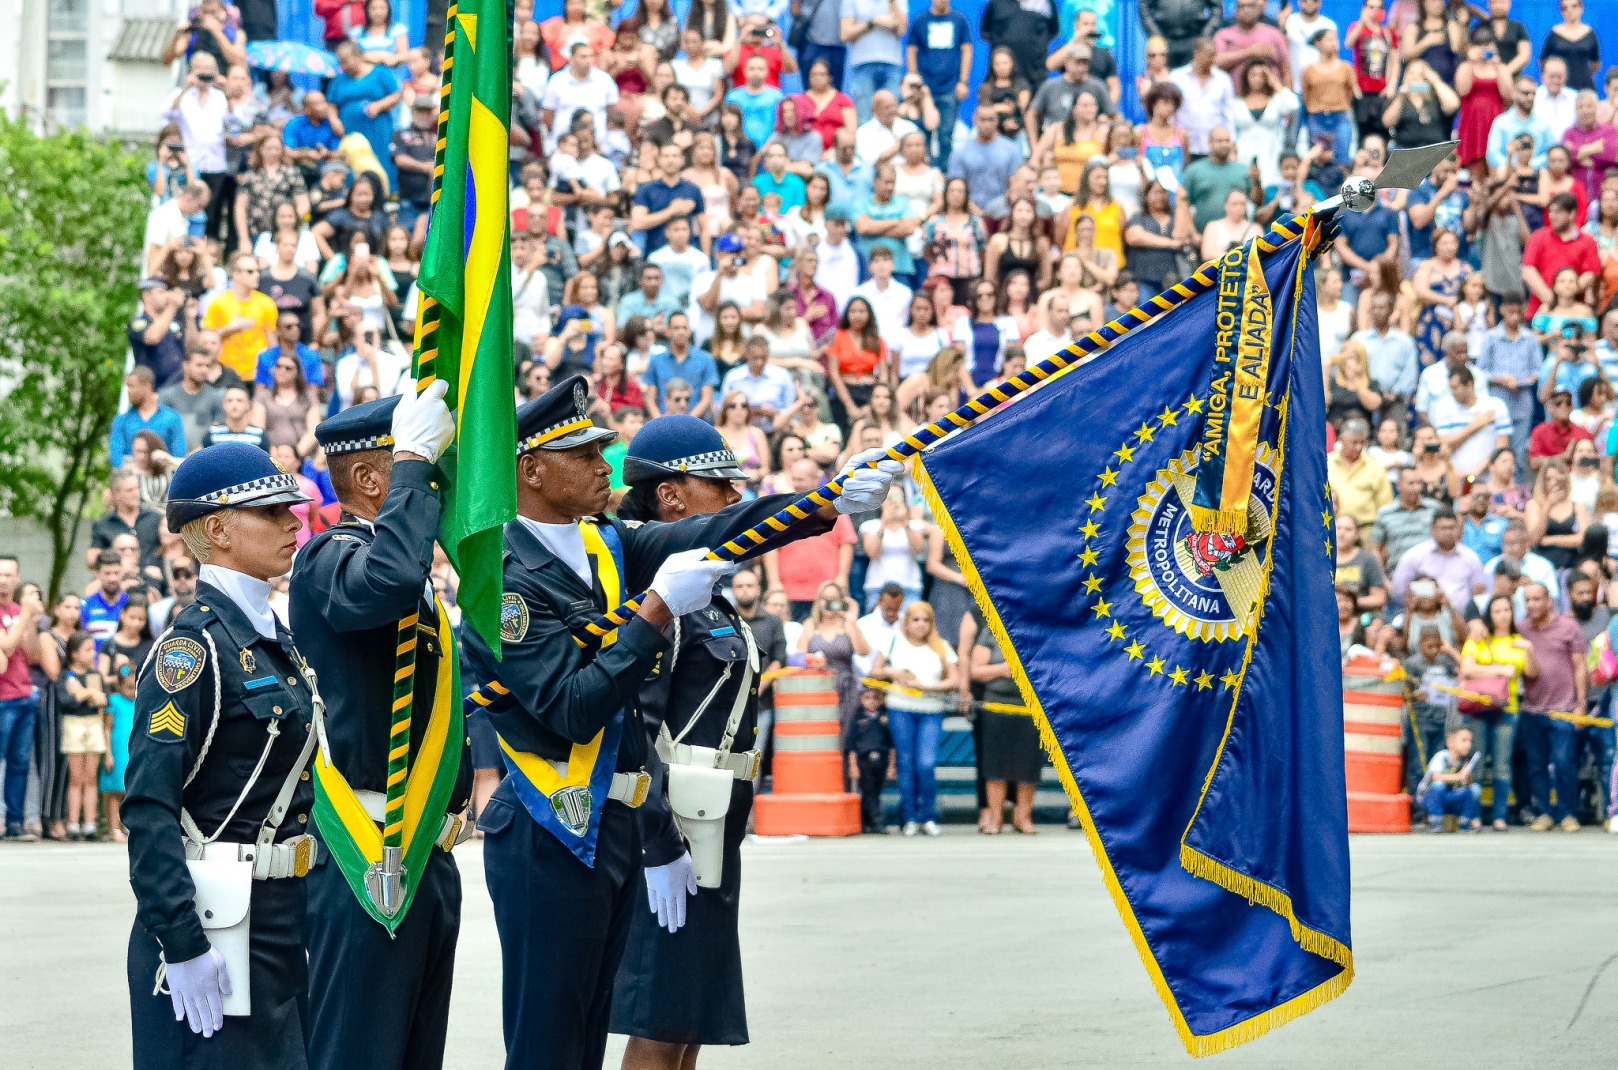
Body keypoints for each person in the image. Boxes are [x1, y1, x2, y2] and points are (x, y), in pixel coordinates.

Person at [460, 378, 899, 1070]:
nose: (606, 467)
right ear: (532, 470)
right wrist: (657, 610)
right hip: (546, 825)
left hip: (611, 825)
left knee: (585, 1038)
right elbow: (571, 707)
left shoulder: (605, 543)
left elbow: (713, 530)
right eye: (584, 455)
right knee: (548, 1043)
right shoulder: (505, 578)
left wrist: (825, 503)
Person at [288, 388, 469, 1070]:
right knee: (359, 1053)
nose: (434, 481)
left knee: (415, 1053)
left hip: (425, 850)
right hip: (364, 847)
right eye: (418, 465)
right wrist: (415, 458)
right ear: (369, 479)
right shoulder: (329, 557)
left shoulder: (412, 574)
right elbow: (384, 582)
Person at [123, 442, 319, 1066]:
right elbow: (150, 809)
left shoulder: (274, 637)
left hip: (280, 919)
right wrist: (179, 943)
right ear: (218, 529)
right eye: (273, 513)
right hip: (216, 924)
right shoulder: (193, 652)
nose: (295, 523)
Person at [609, 418, 768, 1065]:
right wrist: (656, 840)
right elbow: (638, 727)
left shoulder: (707, 594)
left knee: (690, 1014)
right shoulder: (662, 598)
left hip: (713, 820)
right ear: (672, 497)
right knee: (661, 1015)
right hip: (675, 822)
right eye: (720, 487)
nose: (734, 500)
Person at [869, 600, 957, 837]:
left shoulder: (942, 646)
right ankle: (909, 817)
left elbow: (954, 681)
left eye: (925, 620)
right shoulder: (893, 641)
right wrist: (893, 672)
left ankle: (928, 815)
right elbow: (874, 671)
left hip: (931, 709)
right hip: (901, 707)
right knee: (905, 763)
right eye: (915, 620)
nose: (920, 625)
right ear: (906, 622)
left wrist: (926, 686)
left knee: (926, 764)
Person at [1517, 581, 1588, 831]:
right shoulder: (1521, 629)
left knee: (1563, 762)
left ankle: (1568, 813)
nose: (1532, 604)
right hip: (1531, 709)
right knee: (1536, 765)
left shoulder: (1569, 627)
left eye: (1537, 599)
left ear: (1549, 601)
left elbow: (1580, 667)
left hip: (1564, 709)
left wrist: (1581, 705)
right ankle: (1544, 813)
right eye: (1528, 600)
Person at [1419, 725, 1482, 832]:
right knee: (1439, 785)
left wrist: (1467, 776)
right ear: (1450, 742)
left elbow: (1466, 786)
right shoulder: (1442, 756)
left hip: (1450, 798)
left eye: (1470, 741)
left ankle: (1465, 822)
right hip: (1430, 797)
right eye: (1464, 740)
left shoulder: (1465, 761)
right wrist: (1459, 776)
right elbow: (1435, 777)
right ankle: (1435, 821)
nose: (1468, 745)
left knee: (1474, 789)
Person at [847, 686, 893, 832]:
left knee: (876, 790)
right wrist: (853, 766)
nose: (871, 702)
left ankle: (866, 821)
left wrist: (892, 766)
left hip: (881, 760)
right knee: (869, 790)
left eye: (875, 698)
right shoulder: (858, 719)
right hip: (864, 760)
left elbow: (891, 745)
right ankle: (878, 822)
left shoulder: (884, 719)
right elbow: (852, 746)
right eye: (867, 698)